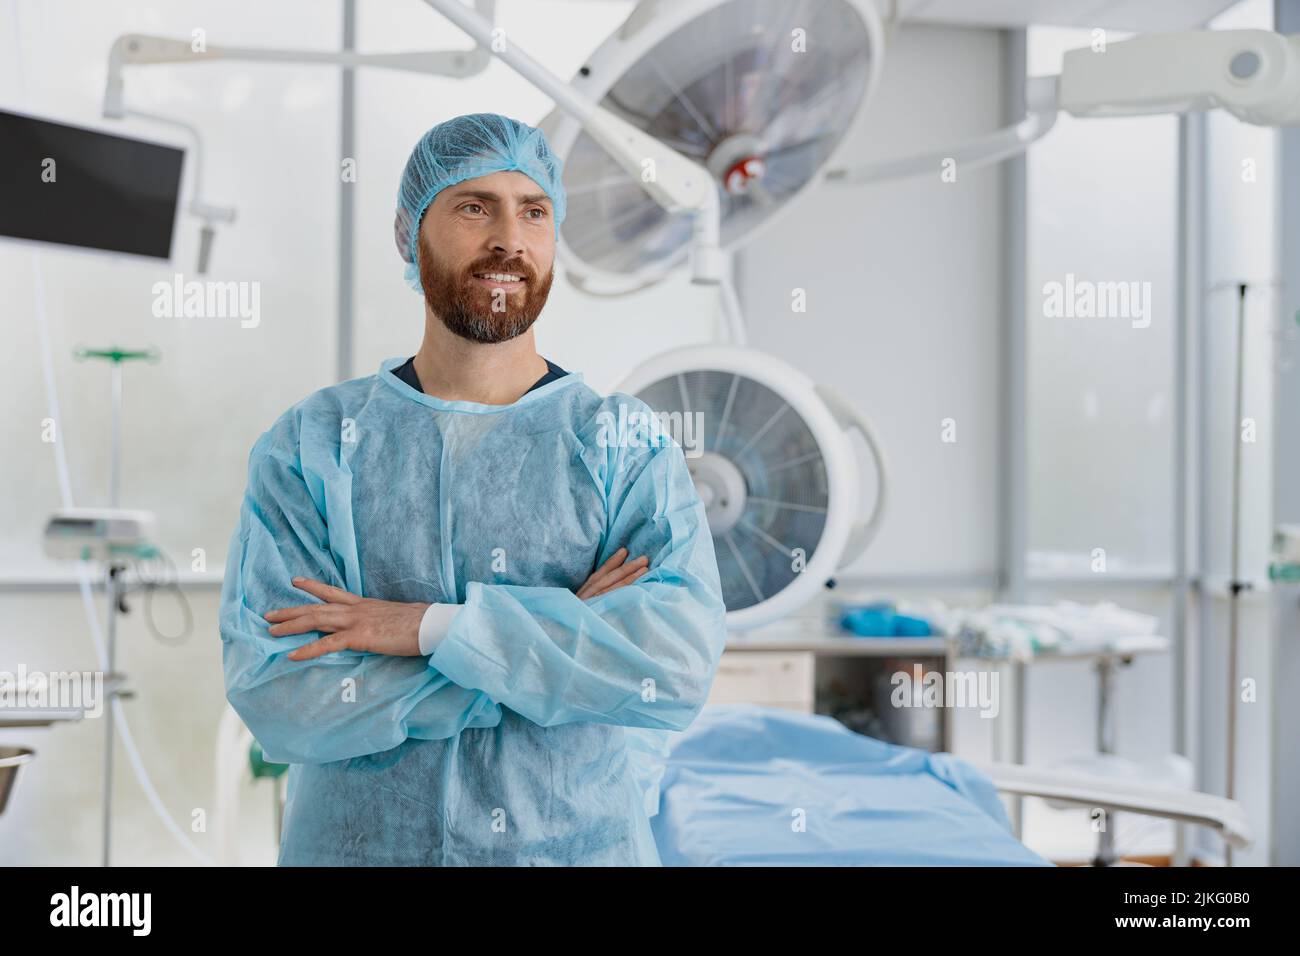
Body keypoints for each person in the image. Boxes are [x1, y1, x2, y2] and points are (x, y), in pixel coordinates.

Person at [219, 113, 727, 866]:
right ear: (408, 234)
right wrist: (548, 649)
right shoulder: (313, 446)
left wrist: (425, 628)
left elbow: (672, 669)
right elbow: (282, 697)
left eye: (534, 211)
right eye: (474, 206)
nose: (509, 240)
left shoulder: (623, 444)